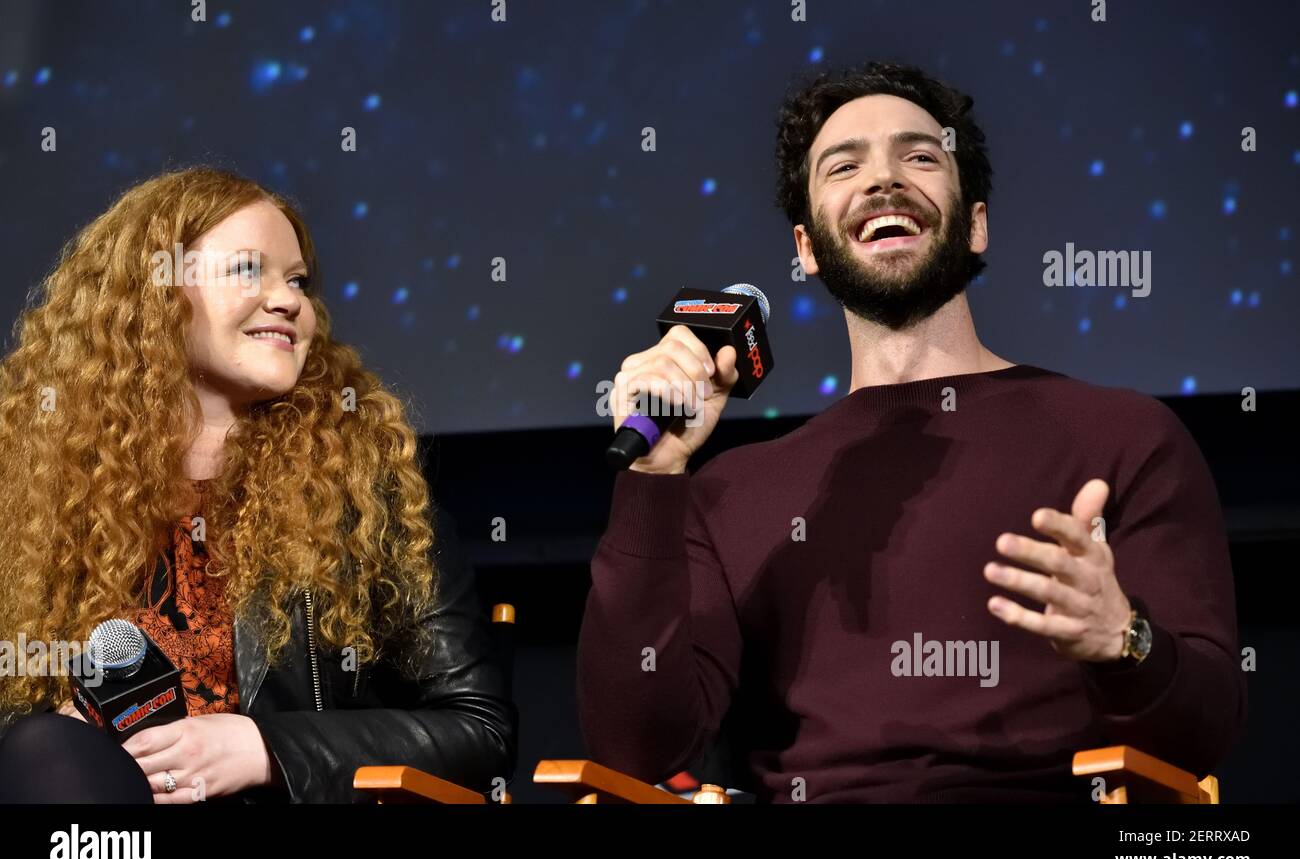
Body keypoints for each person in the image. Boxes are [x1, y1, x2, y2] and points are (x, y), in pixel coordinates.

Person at [578, 62, 1246, 803]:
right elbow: (634, 748)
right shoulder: (729, 493)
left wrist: (1124, 638)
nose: (884, 180)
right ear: (806, 247)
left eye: (920, 156)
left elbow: (1206, 731)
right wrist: (652, 478)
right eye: (844, 165)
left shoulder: (1124, 437)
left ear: (976, 225)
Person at [0, 167, 516, 803]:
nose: (288, 299)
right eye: (249, 270)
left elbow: (481, 731)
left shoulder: (359, 490)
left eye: (297, 280)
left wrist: (267, 748)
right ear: (153, 293)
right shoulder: (39, 493)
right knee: (44, 746)